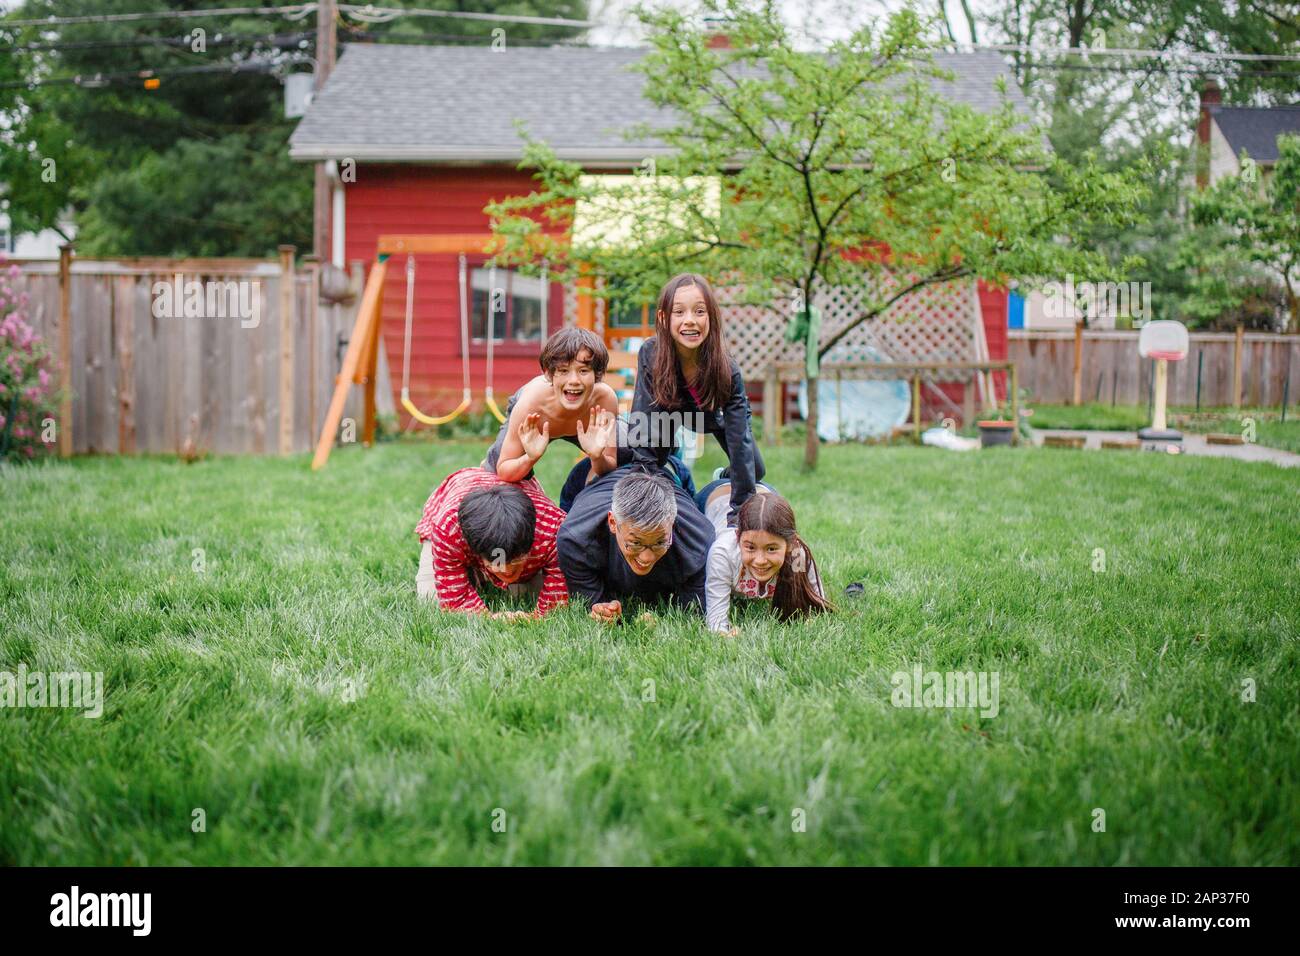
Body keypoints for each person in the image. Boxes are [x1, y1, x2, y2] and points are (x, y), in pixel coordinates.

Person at [627, 272, 764, 525]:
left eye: (699, 312)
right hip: (668, 411)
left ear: (711, 317)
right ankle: (669, 470)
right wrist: (644, 478)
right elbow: (643, 413)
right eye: (679, 312)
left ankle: (721, 476)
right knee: (646, 458)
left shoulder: (726, 369)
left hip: (714, 417)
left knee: (755, 468)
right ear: (663, 318)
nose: (690, 321)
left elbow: (739, 437)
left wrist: (739, 512)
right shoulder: (651, 353)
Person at [557, 465, 715, 622]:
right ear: (613, 523)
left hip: (668, 470)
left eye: (660, 542)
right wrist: (603, 611)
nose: (646, 557)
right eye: (635, 543)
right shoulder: (575, 540)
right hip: (595, 478)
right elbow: (591, 604)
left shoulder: (700, 541)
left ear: (672, 524)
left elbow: (693, 614)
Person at [414, 467, 567, 618]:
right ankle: (476, 574)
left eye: (515, 561)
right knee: (430, 600)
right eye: (497, 563)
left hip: (532, 529)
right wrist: (490, 618)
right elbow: (454, 603)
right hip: (458, 497)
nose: (507, 571)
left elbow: (557, 598)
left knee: (531, 594)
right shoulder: (448, 528)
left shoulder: (554, 530)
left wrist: (536, 617)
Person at [485, 327, 619, 484]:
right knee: (495, 470)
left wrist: (598, 457)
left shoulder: (605, 401)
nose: (574, 380)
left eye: (583, 371)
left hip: (585, 424)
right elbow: (505, 472)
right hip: (538, 420)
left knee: (626, 452)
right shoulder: (530, 406)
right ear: (548, 374)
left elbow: (611, 463)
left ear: (596, 374)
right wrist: (530, 458)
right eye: (563, 371)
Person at [696, 479, 831, 635]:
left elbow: (819, 608)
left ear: (790, 544)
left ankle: (745, 476)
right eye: (750, 547)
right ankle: (727, 476)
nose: (760, 560)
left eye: (771, 549)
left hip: (764, 492)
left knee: (768, 516)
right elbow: (716, 624)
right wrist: (723, 634)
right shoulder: (723, 553)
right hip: (714, 496)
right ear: (738, 538)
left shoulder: (797, 554)